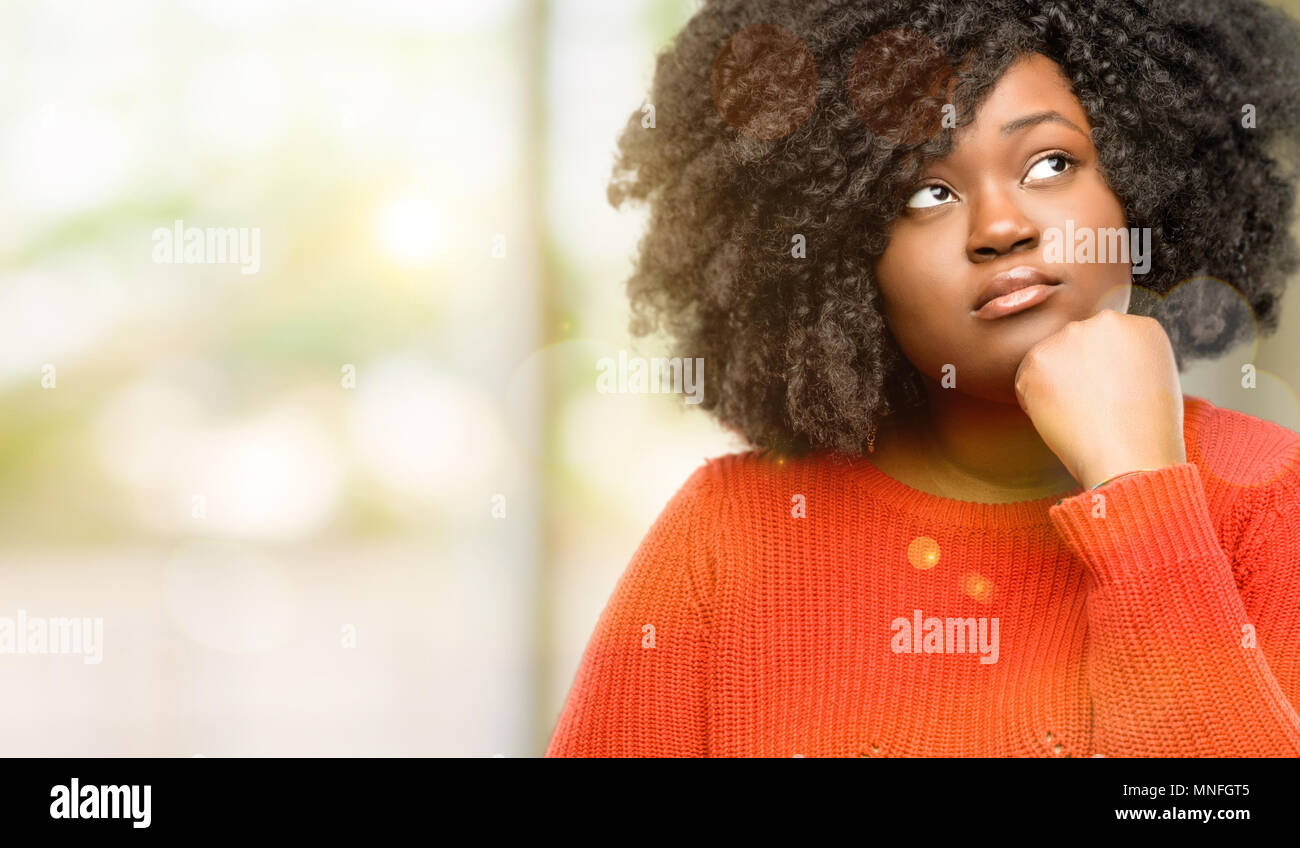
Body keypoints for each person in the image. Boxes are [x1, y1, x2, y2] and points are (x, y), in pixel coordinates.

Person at [546, 0, 1300, 757]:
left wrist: (1140, 491)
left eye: (1051, 163)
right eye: (926, 193)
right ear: (843, 260)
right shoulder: (728, 535)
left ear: (1142, 186)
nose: (1002, 227)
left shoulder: (1267, 499)